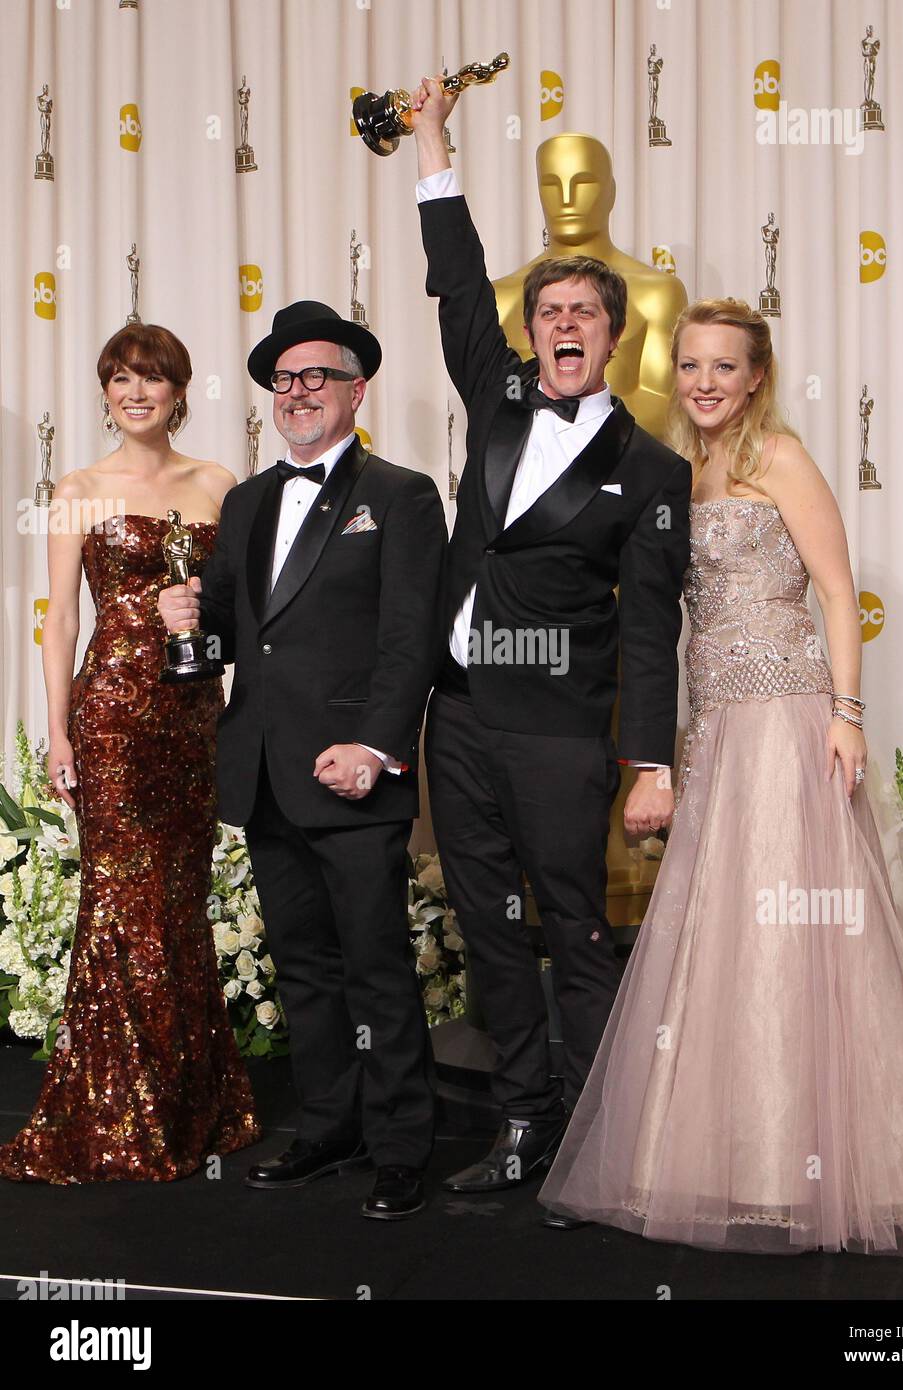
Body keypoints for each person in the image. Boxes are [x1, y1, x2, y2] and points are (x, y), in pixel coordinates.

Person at [539, 299, 903, 1251]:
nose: (704, 383)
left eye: (724, 367)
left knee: (795, 937)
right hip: (715, 727)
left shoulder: (781, 459)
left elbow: (839, 592)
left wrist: (845, 714)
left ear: (755, 375)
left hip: (790, 721)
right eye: (689, 366)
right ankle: (734, 1156)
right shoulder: (674, 473)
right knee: (721, 942)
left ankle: (839, 1159)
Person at [410, 79, 692, 1194]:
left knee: (574, 930)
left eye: (584, 315)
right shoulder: (498, 402)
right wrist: (434, 143)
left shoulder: (651, 471)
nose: (563, 327)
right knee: (489, 926)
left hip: (561, 731)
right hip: (461, 717)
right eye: (550, 313)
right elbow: (452, 288)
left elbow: (657, 625)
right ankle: (522, 1123)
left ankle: (594, 1142)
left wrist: (652, 760)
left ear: (616, 339)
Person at [158, 301, 447, 1220]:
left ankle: (402, 1144)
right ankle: (331, 1127)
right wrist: (191, 621)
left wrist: (374, 746)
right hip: (267, 775)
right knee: (306, 968)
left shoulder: (399, 494)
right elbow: (243, 630)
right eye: (285, 378)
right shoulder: (244, 500)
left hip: (352, 771)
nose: (298, 392)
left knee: (376, 965)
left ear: (357, 389)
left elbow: (413, 641)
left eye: (317, 375)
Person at [0, 323, 261, 1183]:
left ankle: (194, 1104)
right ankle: (116, 1111)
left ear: (180, 390)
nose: (135, 392)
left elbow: (242, 614)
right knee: (120, 901)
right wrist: (61, 730)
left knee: (180, 902)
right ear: (105, 392)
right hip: (113, 716)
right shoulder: (77, 488)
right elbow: (62, 622)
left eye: (151, 378)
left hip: (192, 715)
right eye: (120, 379)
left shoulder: (221, 484)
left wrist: (206, 630)